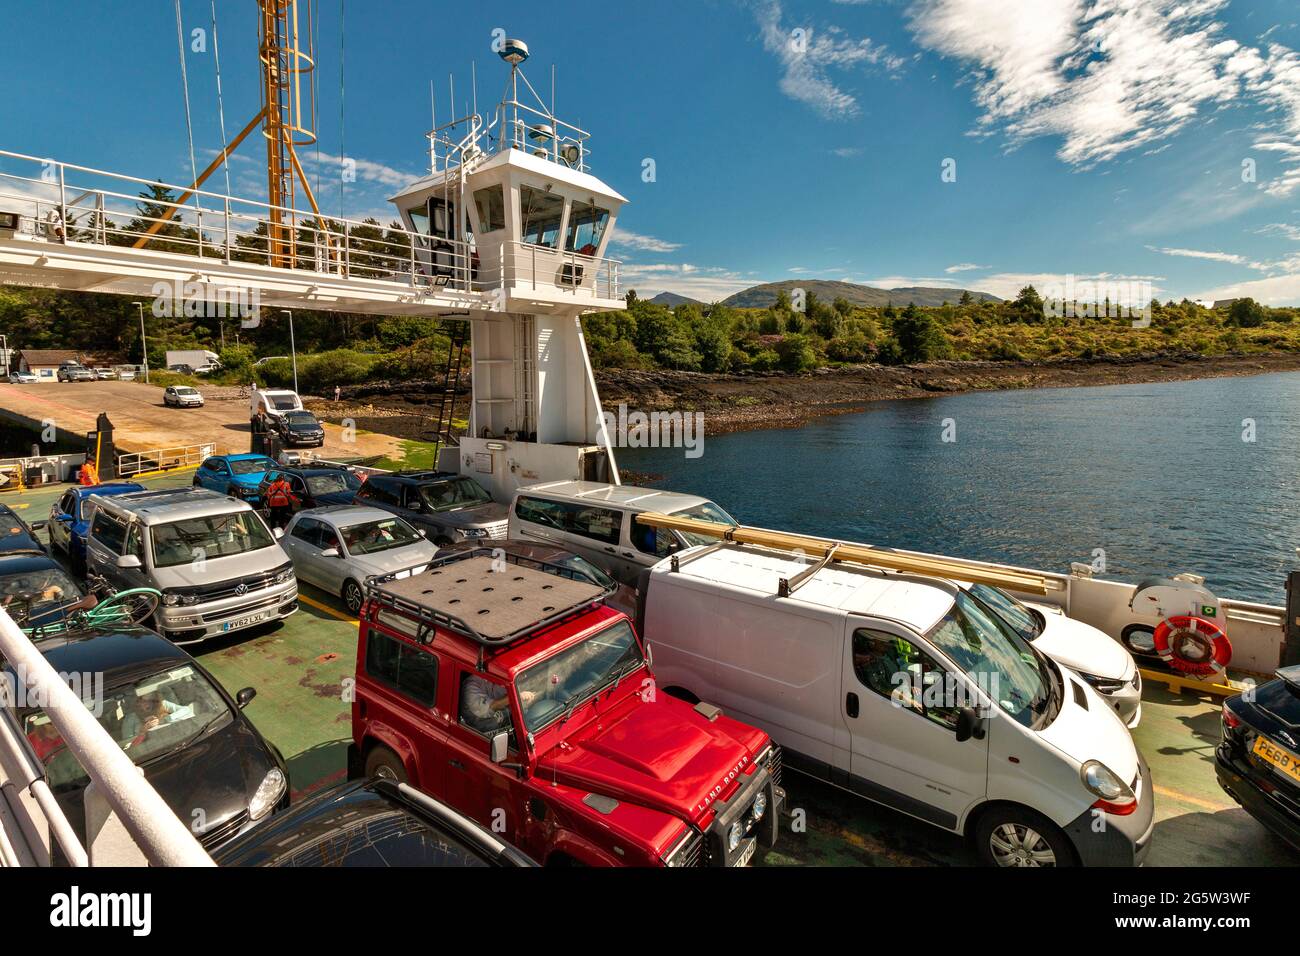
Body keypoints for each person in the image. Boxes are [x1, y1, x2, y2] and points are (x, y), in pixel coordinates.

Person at [460, 674, 533, 733]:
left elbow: (503, 694)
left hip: (507, 724)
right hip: (486, 734)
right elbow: (491, 706)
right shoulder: (470, 687)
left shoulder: (492, 677)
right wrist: (516, 696)